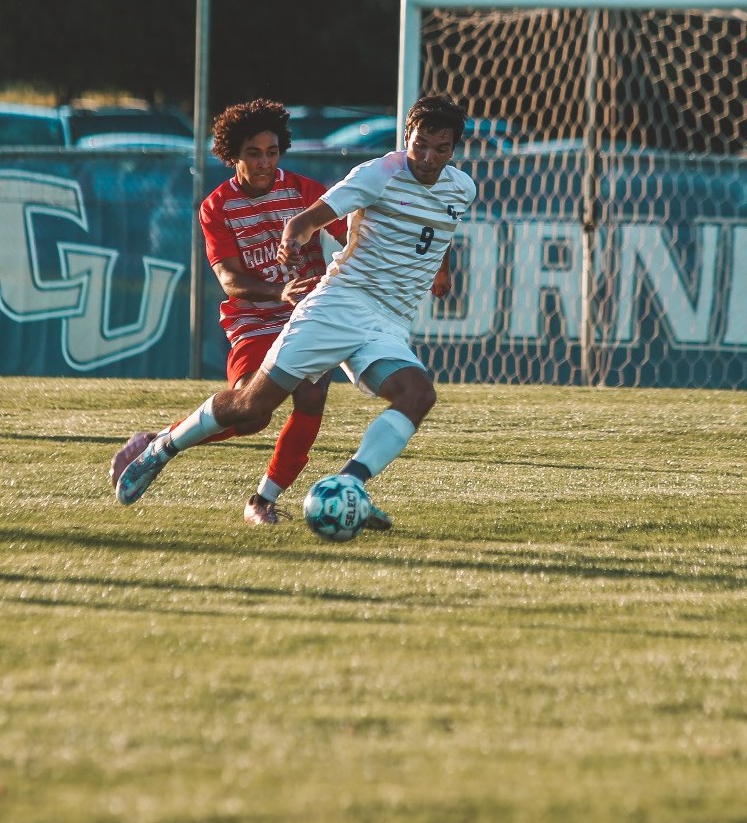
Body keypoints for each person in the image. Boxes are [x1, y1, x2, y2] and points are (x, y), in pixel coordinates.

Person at [114, 94, 474, 532]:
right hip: (337, 305)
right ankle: (163, 447)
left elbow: (439, 229)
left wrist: (442, 268)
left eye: (442, 149)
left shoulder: (461, 188)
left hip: (390, 322)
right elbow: (306, 221)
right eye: (420, 145)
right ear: (406, 138)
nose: (429, 157)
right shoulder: (378, 173)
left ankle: (346, 486)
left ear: (454, 149)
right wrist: (295, 233)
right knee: (251, 408)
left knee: (418, 396)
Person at [108, 99, 343, 525]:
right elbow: (231, 281)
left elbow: (353, 232)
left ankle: (263, 501)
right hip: (253, 320)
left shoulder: (306, 192)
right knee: (251, 412)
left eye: (272, 152)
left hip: (308, 316)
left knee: (312, 393)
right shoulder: (217, 206)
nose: (265, 162)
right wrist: (279, 291)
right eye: (254, 153)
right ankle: (160, 443)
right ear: (233, 154)